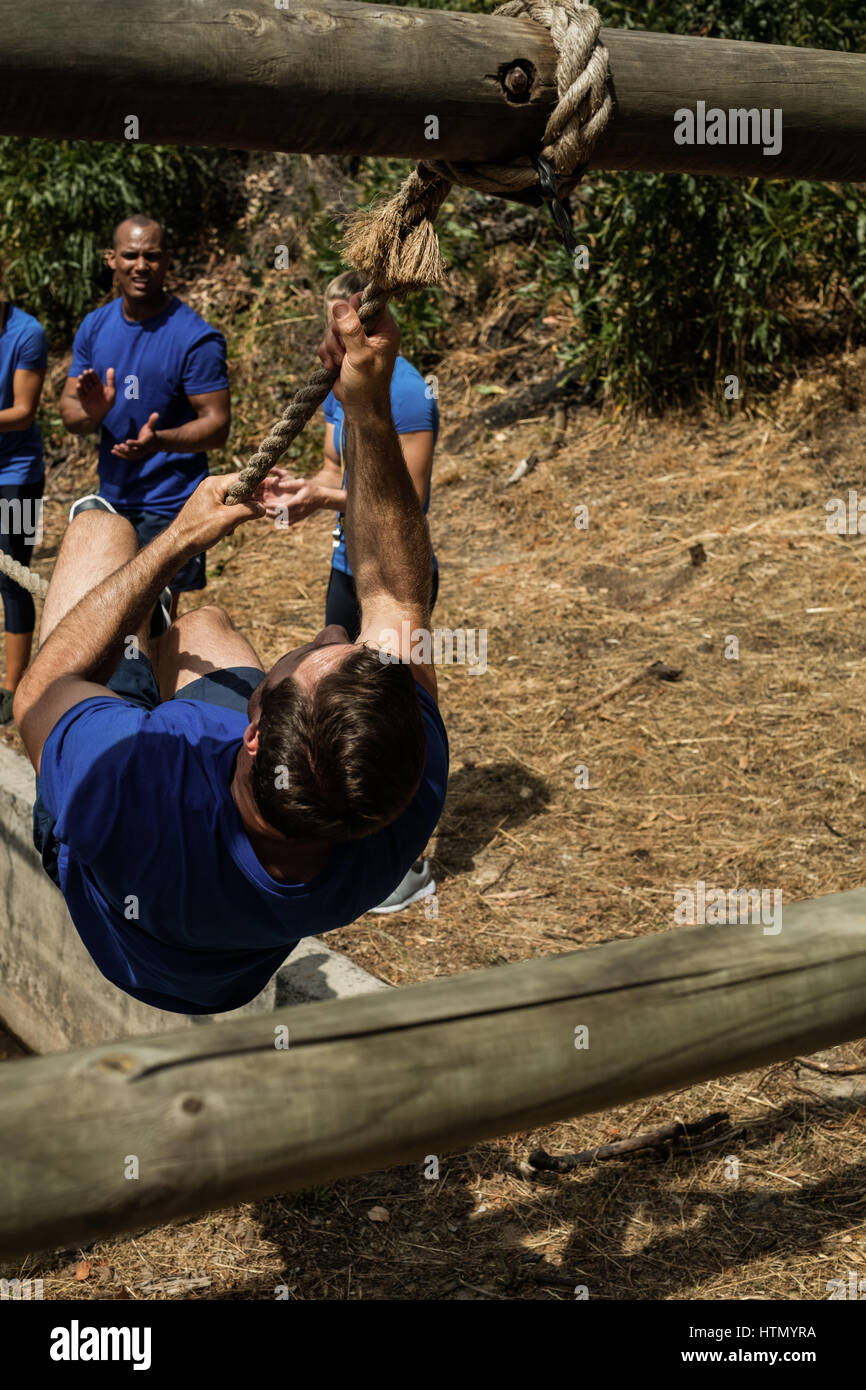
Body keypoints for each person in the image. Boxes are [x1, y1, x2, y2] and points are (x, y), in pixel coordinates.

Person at [13, 295, 448, 1016]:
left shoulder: (128, 784)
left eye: (307, 655)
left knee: (102, 534)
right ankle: (141, 630)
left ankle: (129, 626)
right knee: (207, 623)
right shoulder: (393, 799)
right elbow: (399, 604)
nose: (333, 635)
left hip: (116, 881)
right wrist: (368, 400)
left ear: (252, 733)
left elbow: (39, 693)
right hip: (230, 964)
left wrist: (179, 540)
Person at [262, 271, 441, 912]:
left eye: (347, 320)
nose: (333, 331)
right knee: (346, 707)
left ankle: (403, 860)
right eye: (329, 317)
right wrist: (303, 494)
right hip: (348, 563)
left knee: (390, 704)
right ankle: (355, 828)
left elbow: (410, 501)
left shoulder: (409, 391)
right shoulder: (339, 391)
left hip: (392, 572)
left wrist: (326, 496)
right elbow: (339, 470)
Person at [59, 214, 230, 619]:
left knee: (159, 625)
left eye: (151, 256)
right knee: (109, 622)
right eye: (131, 255)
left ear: (167, 261)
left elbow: (217, 426)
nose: (141, 265)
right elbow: (68, 412)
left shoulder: (195, 337)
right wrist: (92, 413)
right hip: (112, 501)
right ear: (111, 259)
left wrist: (161, 442)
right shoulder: (94, 327)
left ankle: (158, 685)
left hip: (171, 505)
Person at [0, 276, 47, 724]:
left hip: (17, 475)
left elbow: (22, 411)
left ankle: (14, 686)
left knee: (14, 576)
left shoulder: (26, 333)